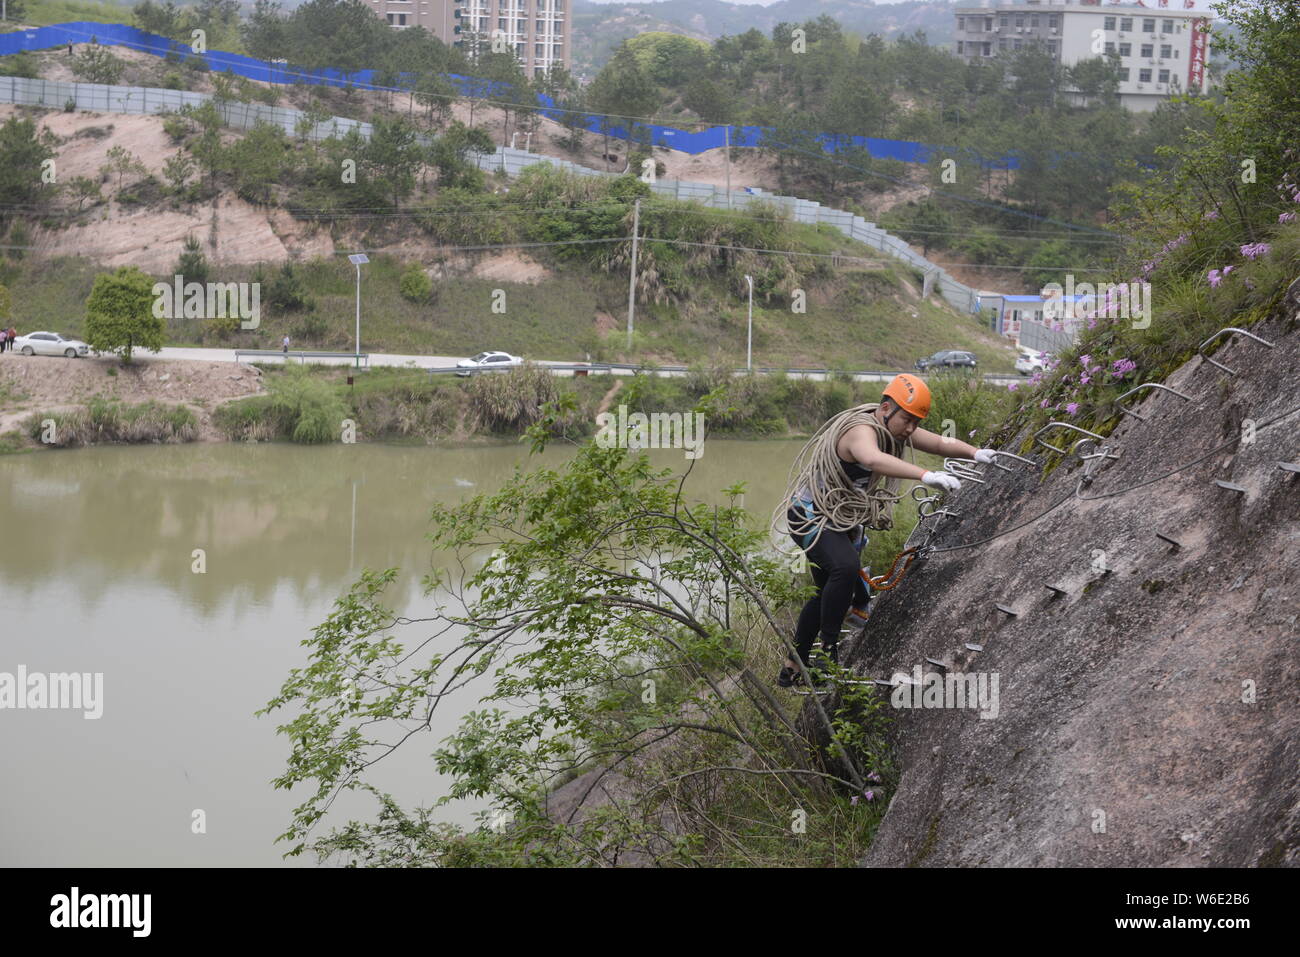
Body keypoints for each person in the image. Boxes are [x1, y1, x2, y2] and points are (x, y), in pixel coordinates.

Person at [773, 373, 999, 688]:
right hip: (810, 516)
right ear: (885, 408)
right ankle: (827, 652)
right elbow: (872, 458)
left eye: (915, 422)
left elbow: (939, 442)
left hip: (837, 521)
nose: (910, 429)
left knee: (825, 590)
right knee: (845, 567)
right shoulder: (860, 431)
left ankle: (791, 665)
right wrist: (925, 475)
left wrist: (975, 453)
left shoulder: (897, 427)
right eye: (907, 419)